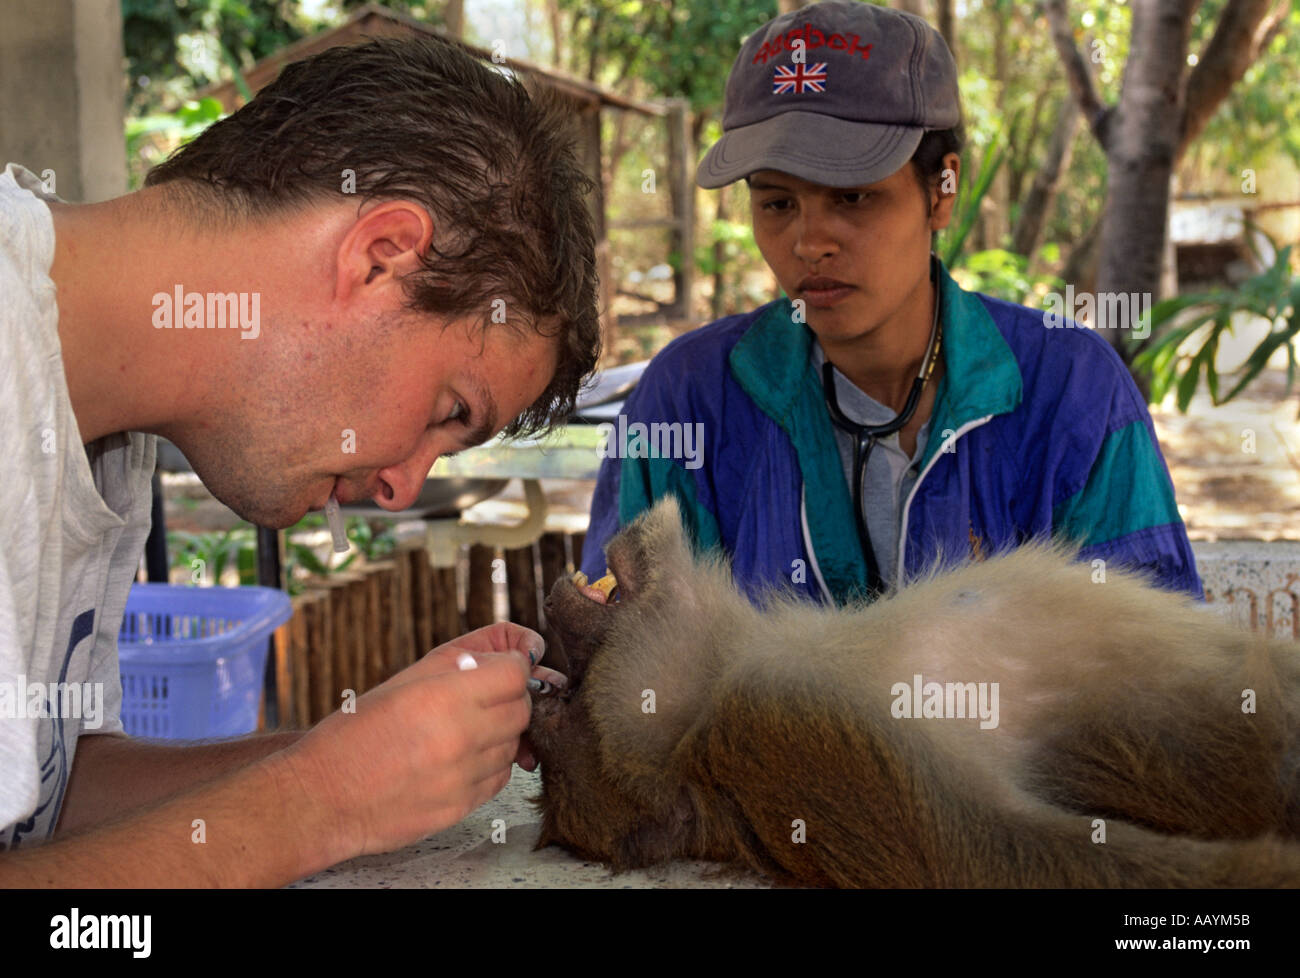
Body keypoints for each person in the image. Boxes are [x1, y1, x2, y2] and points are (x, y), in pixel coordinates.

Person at [0, 35, 598, 886]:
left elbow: (46, 803)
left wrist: (366, 754)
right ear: (382, 255)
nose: (400, 489)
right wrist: (326, 799)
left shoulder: (105, 435)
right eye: (450, 413)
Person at [581, 0, 1202, 605]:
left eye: (852, 198)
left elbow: (1154, 677)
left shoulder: (1071, 392)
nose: (809, 242)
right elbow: (623, 668)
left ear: (942, 192)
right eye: (776, 203)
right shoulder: (687, 400)